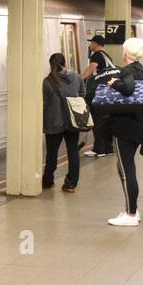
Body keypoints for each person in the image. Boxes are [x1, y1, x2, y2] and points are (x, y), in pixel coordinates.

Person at [97, 37, 143, 226]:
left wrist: (113, 83)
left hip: (125, 128)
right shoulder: (142, 70)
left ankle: (130, 214)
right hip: (137, 125)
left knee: (126, 170)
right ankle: (132, 209)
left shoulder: (128, 70)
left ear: (125, 53)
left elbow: (127, 89)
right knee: (126, 168)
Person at [42, 51, 84, 192]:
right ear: (65, 62)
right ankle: (71, 183)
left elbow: (45, 103)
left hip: (54, 122)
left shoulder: (48, 81)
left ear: (51, 65)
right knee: (73, 152)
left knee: (52, 152)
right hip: (73, 121)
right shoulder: (76, 77)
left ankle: (48, 180)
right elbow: (82, 95)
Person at [81, 34, 116, 158]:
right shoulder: (107, 56)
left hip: (98, 92)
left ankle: (99, 149)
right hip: (108, 92)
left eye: (91, 43)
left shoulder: (96, 55)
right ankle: (108, 147)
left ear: (96, 44)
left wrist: (80, 80)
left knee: (97, 120)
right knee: (106, 120)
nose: (90, 45)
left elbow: (91, 68)